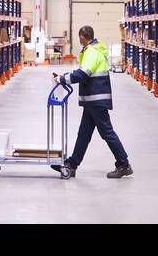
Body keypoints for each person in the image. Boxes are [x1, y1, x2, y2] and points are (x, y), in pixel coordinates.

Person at [53, 25, 133, 179]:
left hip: (96, 100)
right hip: (92, 100)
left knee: (107, 132)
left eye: (79, 38)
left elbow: (83, 74)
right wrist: (66, 75)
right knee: (83, 134)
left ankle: (124, 164)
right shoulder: (94, 50)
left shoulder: (92, 51)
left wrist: (62, 79)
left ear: (82, 36)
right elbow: (82, 72)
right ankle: (72, 164)